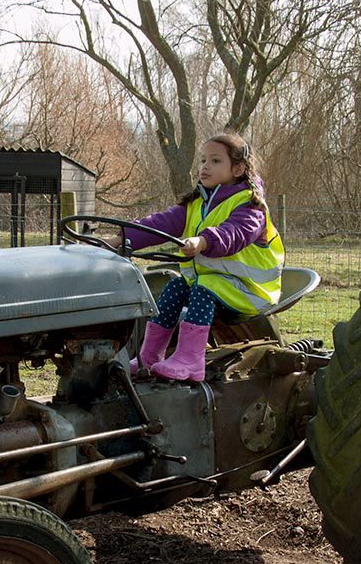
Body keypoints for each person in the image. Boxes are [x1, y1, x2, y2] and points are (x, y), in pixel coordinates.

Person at [109, 132, 285, 382]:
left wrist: (202, 241)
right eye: (203, 161)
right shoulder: (198, 203)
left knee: (201, 289)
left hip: (250, 290)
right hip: (218, 283)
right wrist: (120, 238)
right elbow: (160, 223)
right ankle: (149, 356)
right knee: (175, 286)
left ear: (238, 168)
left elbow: (234, 233)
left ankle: (191, 361)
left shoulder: (250, 205)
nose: (205, 167)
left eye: (215, 161)